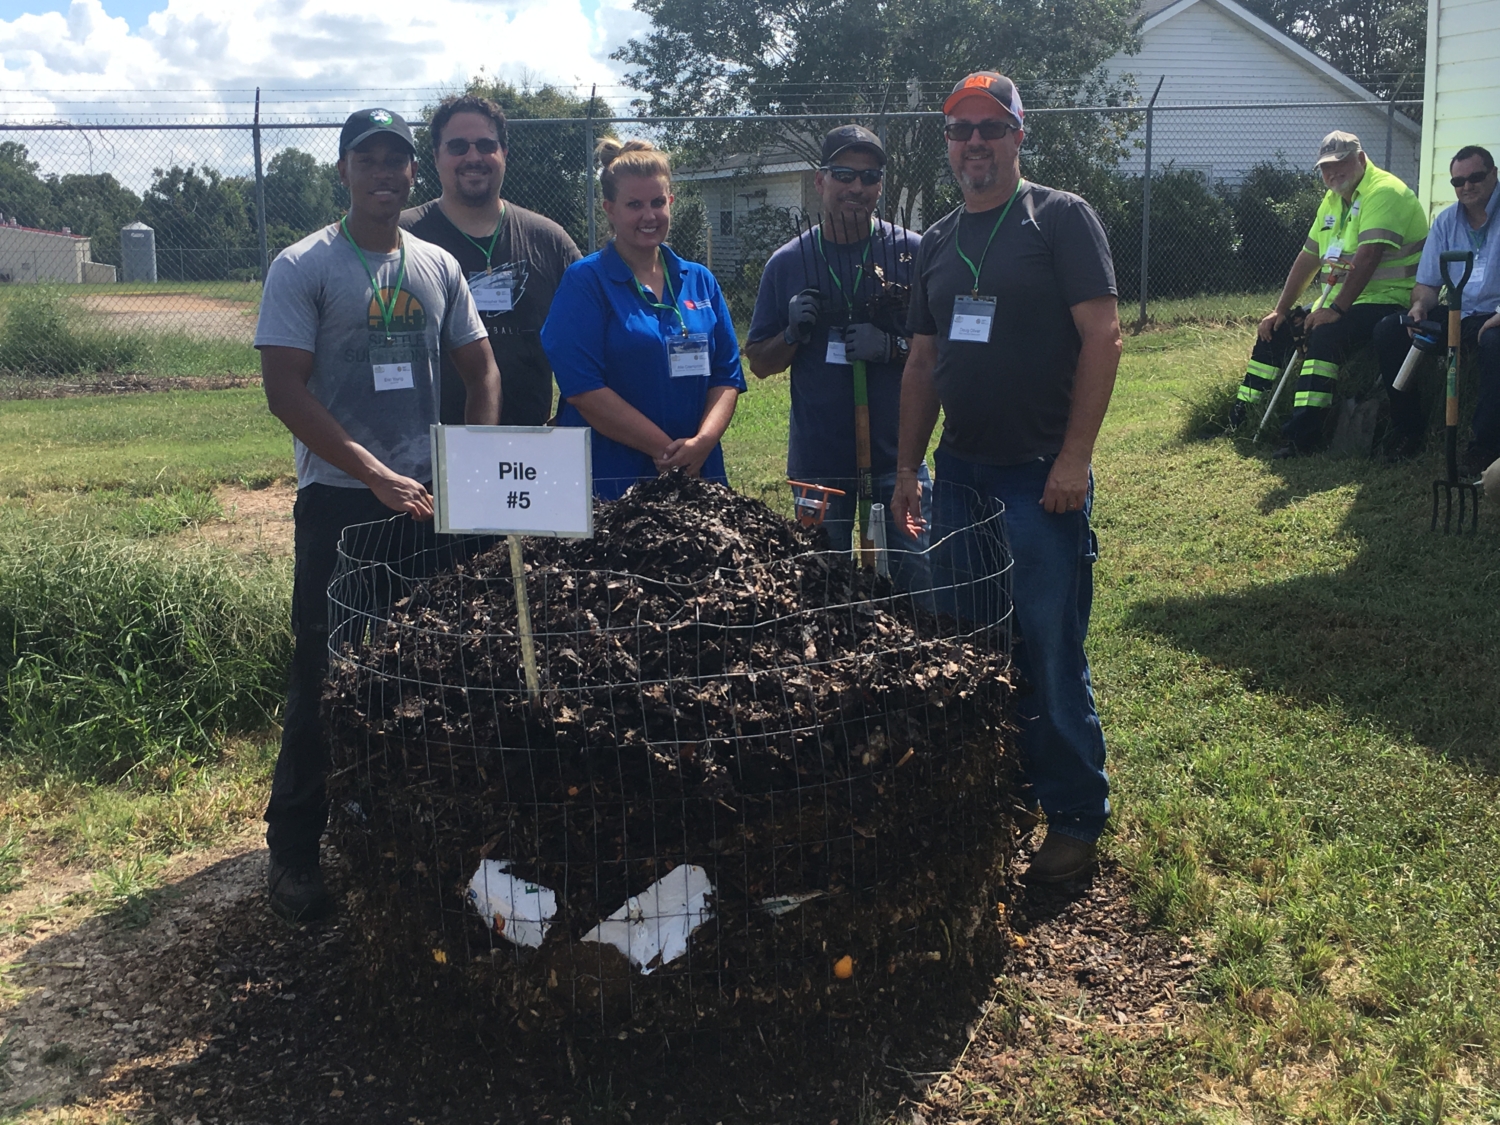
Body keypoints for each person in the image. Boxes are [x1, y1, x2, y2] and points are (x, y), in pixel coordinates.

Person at [255, 108, 500, 920]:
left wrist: (470, 465)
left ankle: (391, 832)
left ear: (411, 174)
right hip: (341, 504)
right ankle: (293, 852)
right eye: (369, 160)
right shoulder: (305, 266)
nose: (385, 174)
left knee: (421, 672)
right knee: (325, 675)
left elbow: (482, 368)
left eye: (397, 161)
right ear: (344, 170)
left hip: (427, 506)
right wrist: (374, 473)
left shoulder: (436, 265)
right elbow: (284, 388)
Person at [890, 71, 1122, 884]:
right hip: (959, 478)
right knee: (976, 645)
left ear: (1019, 135)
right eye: (961, 130)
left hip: (1038, 480)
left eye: (991, 127)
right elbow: (921, 362)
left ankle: (1074, 816)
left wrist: (1075, 458)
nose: (975, 143)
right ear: (947, 143)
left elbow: (1104, 338)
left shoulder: (1059, 219)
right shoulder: (938, 241)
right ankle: (1007, 789)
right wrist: (907, 467)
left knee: (1052, 649)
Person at [744, 125, 930, 588]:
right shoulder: (787, 263)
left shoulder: (912, 253)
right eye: (844, 174)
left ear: (880, 186)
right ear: (819, 180)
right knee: (821, 592)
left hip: (896, 461)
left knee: (917, 594)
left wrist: (892, 347)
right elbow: (761, 363)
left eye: (869, 177)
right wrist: (791, 333)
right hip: (818, 467)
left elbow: (940, 353)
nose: (857, 187)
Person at [541, 139, 745, 500]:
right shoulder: (586, 282)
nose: (648, 216)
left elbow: (727, 376)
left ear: (671, 202)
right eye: (634, 205)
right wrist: (668, 452)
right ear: (610, 209)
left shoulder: (699, 280)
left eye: (657, 202)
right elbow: (583, 389)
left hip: (699, 472)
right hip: (613, 481)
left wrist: (702, 444)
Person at [1221, 131, 1427, 458]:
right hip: (1346, 300)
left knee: (1324, 336)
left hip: (1389, 299)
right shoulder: (1332, 200)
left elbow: (1369, 257)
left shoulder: (1385, 191)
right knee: (1276, 329)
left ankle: (1303, 436)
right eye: (1325, 167)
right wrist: (1280, 310)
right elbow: (1308, 259)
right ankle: (1241, 417)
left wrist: (1336, 311)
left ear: (1360, 159)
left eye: (1341, 163)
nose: (1332, 173)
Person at [401, 93, 582, 426]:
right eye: (457, 147)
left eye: (486, 145)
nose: (473, 157)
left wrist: (566, 421)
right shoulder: (402, 238)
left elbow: (594, 340)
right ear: (435, 156)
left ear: (504, 153)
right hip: (419, 460)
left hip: (528, 456)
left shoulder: (549, 241)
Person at [1373, 145, 1500, 467]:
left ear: (1494, 175)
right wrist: (1420, 308)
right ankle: (1407, 431)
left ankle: (1484, 447)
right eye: (1458, 182)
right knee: (1391, 329)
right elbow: (1428, 285)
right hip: (1460, 311)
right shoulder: (1445, 222)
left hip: (1497, 317)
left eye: (1475, 177)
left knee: (1495, 343)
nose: (1467, 186)